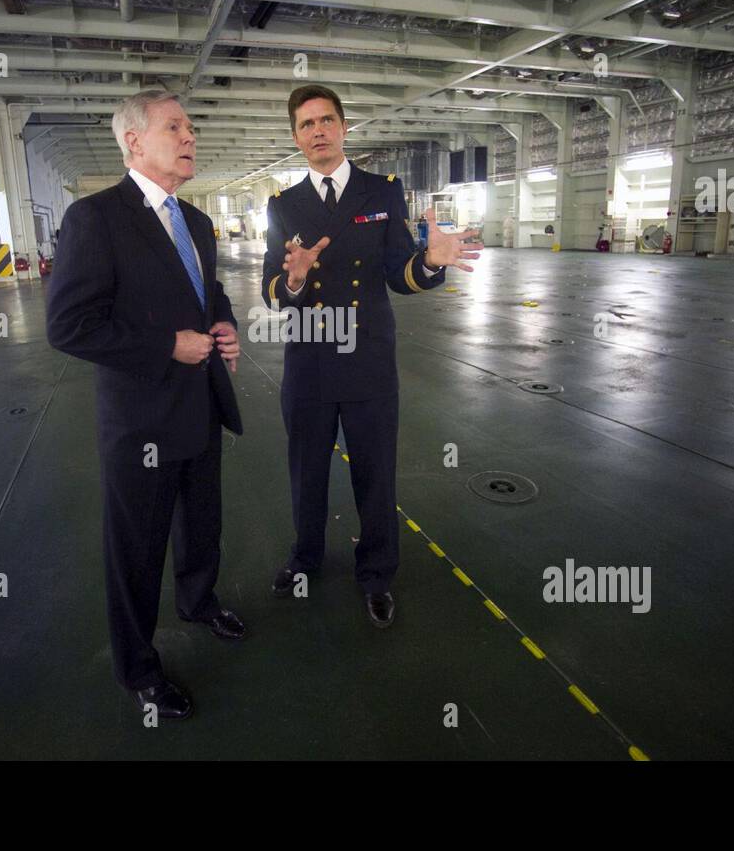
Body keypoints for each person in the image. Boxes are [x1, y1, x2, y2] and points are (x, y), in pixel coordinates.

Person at [46, 90, 245, 721]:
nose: (190, 137)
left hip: (201, 404)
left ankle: (198, 600)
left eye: (190, 127)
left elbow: (207, 291)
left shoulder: (198, 222)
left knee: (202, 521)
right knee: (137, 547)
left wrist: (223, 323)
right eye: (175, 127)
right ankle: (138, 667)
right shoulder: (96, 218)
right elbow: (70, 326)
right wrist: (166, 346)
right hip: (142, 422)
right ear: (133, 141)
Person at [261, 84, 482, 627]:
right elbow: (271, 290)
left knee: (376, 475)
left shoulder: (382, 191)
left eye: (326, 120)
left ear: (344, 128)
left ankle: (377, 573)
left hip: (369, 360)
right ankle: (305, 557)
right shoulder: (283, 205)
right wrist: (293, 281)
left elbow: (399, 274)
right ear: (296, 137)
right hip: (310, 361)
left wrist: (431, 262)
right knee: (306, 472)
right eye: (307, 124)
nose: (318, 131)